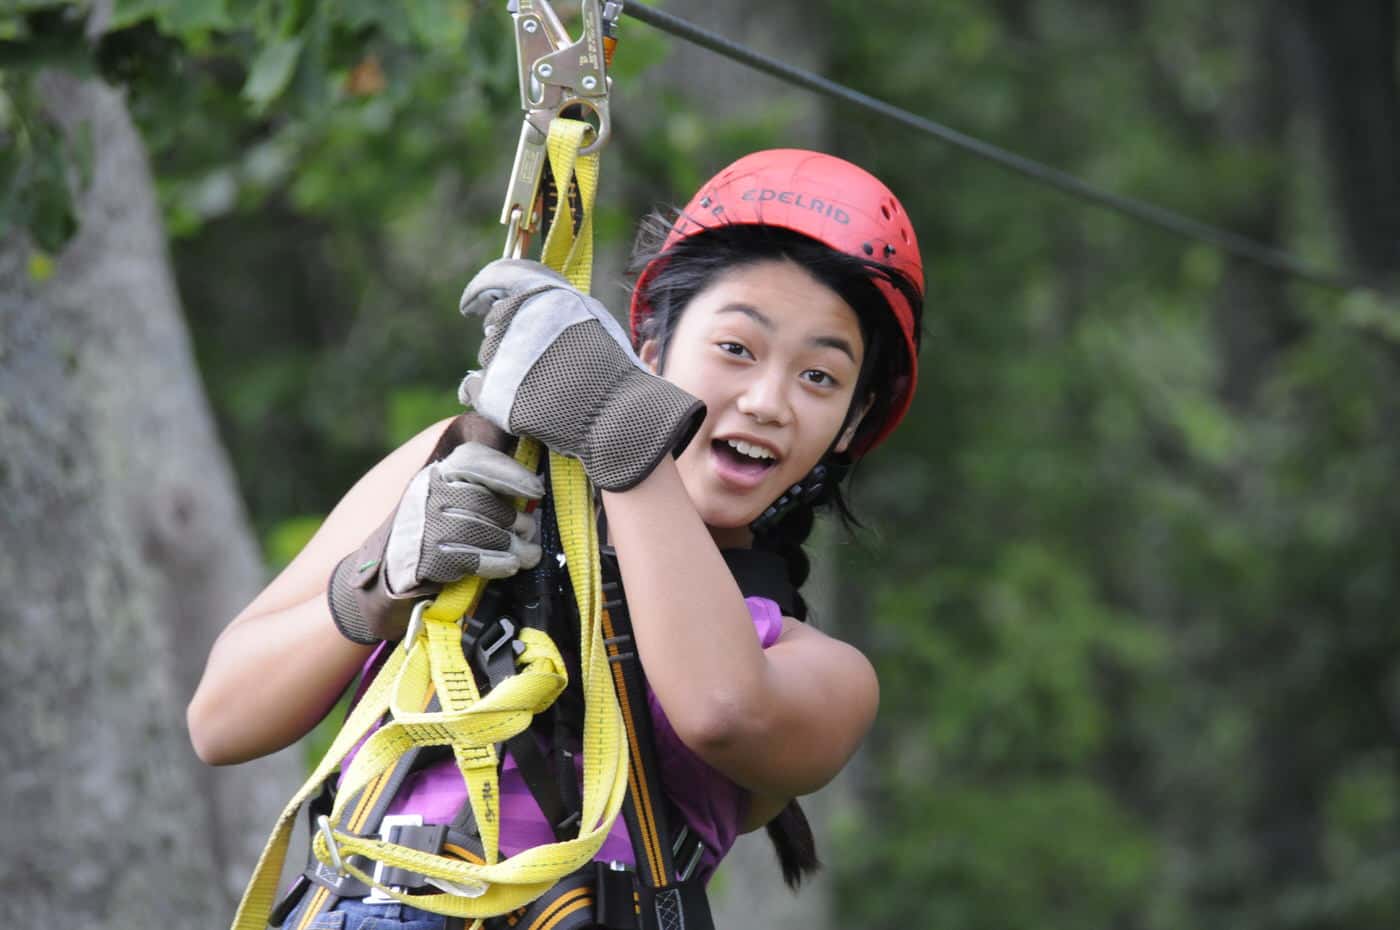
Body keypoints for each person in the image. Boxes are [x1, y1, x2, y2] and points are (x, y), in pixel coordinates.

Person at [188, 148, 924, 930]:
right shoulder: (469, 468)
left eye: (820, 377)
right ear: (651, 351)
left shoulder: (819, 674)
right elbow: (222, 720)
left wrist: (619, 429)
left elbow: (721, 709)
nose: (768, 400)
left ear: (851, 423)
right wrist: (378, 586)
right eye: (736, 348)